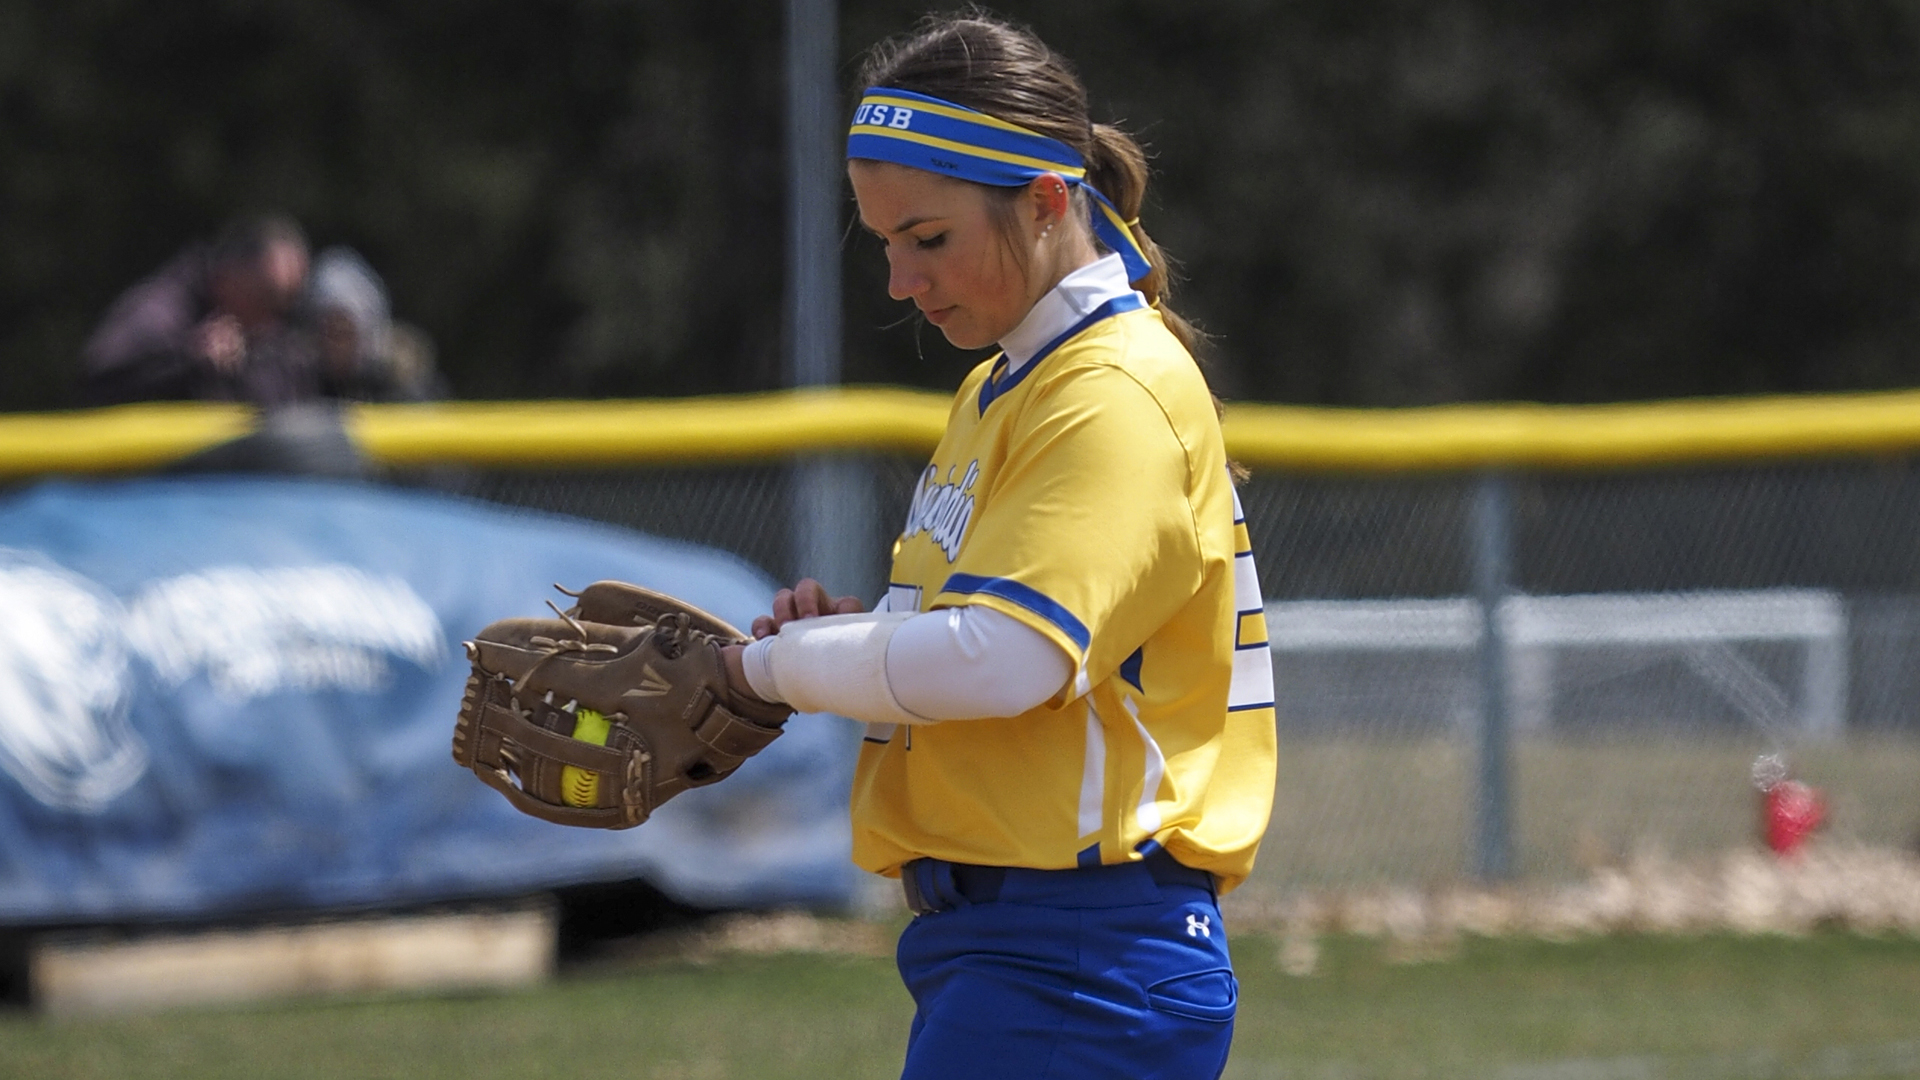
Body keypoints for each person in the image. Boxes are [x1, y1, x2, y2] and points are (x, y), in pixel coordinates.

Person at [718, 14, 1277, 1079]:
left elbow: (1007, 660)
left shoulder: (1109, 391)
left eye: (929, 238)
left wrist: (762, 672)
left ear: (1047, 200)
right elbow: (973, 635)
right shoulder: (1005, 385)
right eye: (885, 242)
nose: (900, 280)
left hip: (1082, 957)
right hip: (1019, 948)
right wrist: (860, 635)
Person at [81, 214, 319, 407]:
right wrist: (189, 362)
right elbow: (99, 384)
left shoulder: (281, 342)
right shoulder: (160, 311)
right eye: (267, 298)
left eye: (290, 302)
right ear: (228, 277)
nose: (276, 321)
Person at [305, 246, 446, 403]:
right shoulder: (305, 382)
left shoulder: (401, 386)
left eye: (343, 334)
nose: (334, 344)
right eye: (326, 332)